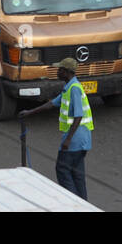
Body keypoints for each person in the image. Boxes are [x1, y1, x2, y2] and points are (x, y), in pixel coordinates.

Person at [19, 57, 92, 200]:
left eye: (59, 70)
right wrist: (29, 112)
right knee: (77, 174)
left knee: (62, 170)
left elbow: (78, 116)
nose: (57, 72)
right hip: (81, 140)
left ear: (66, 72)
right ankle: (84, 205)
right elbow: (51, 104)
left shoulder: (74, 89)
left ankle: (73, 204)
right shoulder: (69, 87)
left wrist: (68, 140)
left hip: (75, 140)